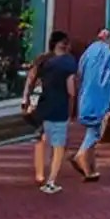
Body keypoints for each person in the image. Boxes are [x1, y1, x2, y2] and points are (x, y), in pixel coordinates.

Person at [22, 31, 78, 194]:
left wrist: (25, 100)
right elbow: (71, 90)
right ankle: (51, 180)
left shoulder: (42, 60)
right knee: (58, 145)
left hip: (41, 106)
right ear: (64, 44)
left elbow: (30, 79)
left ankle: (40, 174)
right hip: (59, 107)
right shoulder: (68, 63)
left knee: (42, 140)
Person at [73, 29, 110, 181]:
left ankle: (90, 169)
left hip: (85, 96)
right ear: (109, 39)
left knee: (91, 129)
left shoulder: (87, 54)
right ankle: (80, 155)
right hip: (101, 98)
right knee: (96, 132)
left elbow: (79, 73)